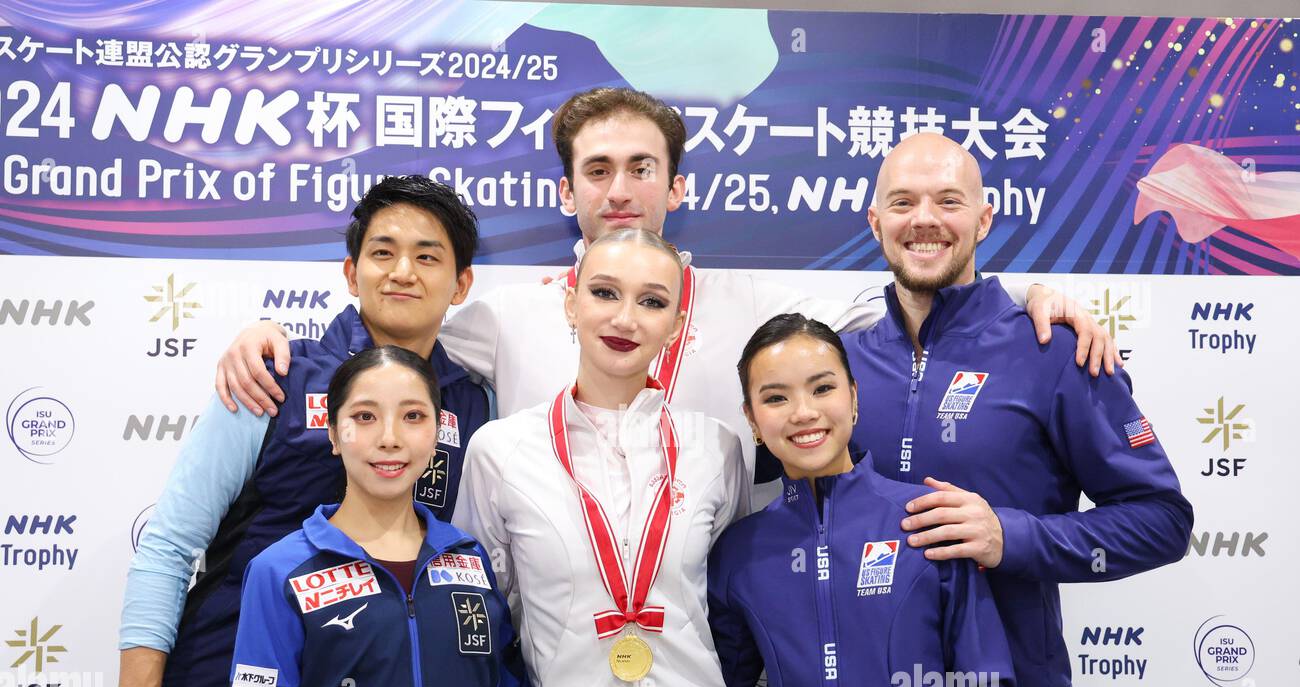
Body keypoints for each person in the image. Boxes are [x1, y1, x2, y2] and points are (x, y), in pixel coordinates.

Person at [215, 87, 1119, 494]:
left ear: (677, 189)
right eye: (596, 171)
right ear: (565, 194)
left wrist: (1039, 296)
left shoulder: (765, 309)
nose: (619, 191)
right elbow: (395, 323)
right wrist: (271, 337)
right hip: (557, 622)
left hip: (719, 607)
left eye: (642, 169)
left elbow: (918, 294)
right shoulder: (501, 312)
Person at [102, 176, 490, 687]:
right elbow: (168, 547)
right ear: (350, 271)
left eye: (428, 257)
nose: (403, 271)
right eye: (383, 252)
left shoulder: (471, 400)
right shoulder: (271, 373)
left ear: (460, 285)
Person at [845, 132, 1194, 687]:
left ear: (985, 217)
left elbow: (1163, 521)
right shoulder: (834, 368)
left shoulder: (1056, 349)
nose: (925, 219)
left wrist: (1015, 538)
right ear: (873, 221)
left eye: (949, 200)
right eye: (902, 202)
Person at [453, 228, 750, 687]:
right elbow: (482, 610)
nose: (624, 318)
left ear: (677, 323)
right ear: (570, 301)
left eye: (652, 301)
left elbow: (726, 599)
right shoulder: (501, 452)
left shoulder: (717, 448)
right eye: (605, 292)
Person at [709, 315, 1025, 687]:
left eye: (823, 388)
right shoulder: (740, 554)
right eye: (776, 397)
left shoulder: (928, 524)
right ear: (752, 420)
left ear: (853, 398)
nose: (804, 413)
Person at [228, 347, 527, 687]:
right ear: (333, 432)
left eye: (413, 416)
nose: (389, 437)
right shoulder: (282, 572)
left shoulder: (471, 562)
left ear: (437, 432)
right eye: (364, 417)